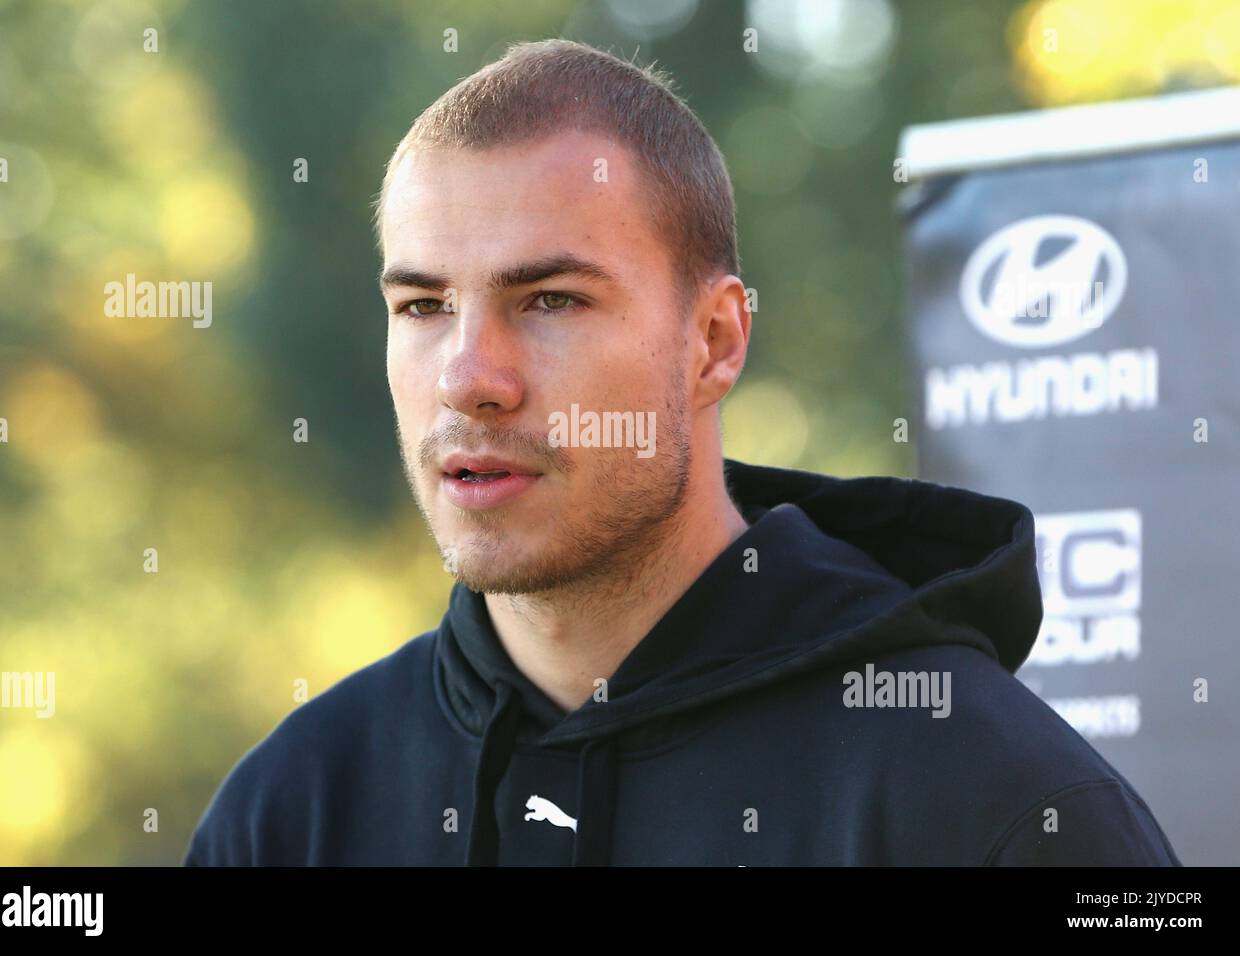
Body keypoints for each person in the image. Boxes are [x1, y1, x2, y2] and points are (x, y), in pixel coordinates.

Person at [182, 38, 1180, 866]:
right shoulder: (290, 813)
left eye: (551, 301)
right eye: (424, 306)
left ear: (713, 342)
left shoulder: (1001, 805)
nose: (469, 375)